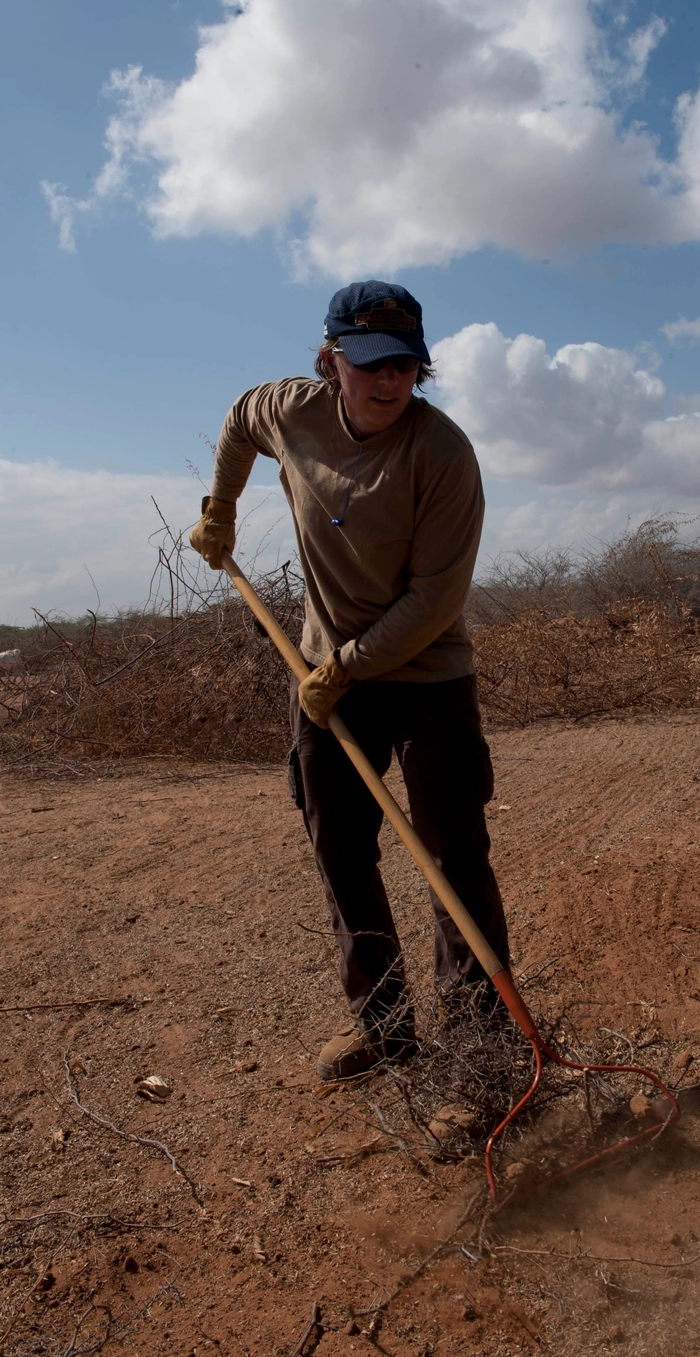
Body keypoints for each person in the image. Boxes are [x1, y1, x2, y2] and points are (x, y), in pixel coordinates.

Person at [190, 280, 510, 1081]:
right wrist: (220, 508)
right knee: (340, 849)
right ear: (332, 359)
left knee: (452, 855)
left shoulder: (442, 453)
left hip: (426, 673)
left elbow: (436, 597)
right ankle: (389, 1033)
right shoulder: (289, 410)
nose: (389, 382)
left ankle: (483, 1049)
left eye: (405, 364)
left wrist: (347, 667)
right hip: (324, 676)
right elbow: (236, 421)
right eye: (370, 363)